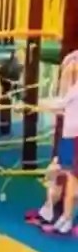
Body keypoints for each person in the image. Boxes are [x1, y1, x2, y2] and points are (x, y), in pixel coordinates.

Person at [33, 50, 78, 234]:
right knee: (61, 173)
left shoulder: (75, 89)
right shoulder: (73, 90)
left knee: (70, 179)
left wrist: (38, 104)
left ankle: (66, 217)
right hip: (70, 137)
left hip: (74, 138)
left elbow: (60, 104)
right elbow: (64, 107)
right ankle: (57, 213)